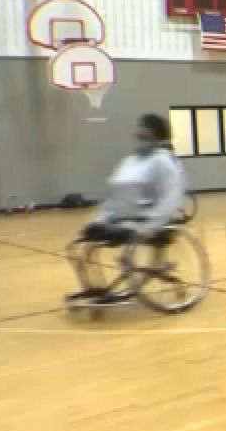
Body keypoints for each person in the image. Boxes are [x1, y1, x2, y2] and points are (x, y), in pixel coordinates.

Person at [68, 113, 186, 299]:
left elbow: (169, 198)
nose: (139, 134)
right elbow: (116, 195)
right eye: (139, 131)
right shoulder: (130, 161)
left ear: (156, 134)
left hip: (145, 221)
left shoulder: (163, 162)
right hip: (121, 219)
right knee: (79, 244)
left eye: (144, 131)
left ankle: (136, 279)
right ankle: (95, 288)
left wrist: (149, 226)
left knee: (115, 243)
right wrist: (99, 219)